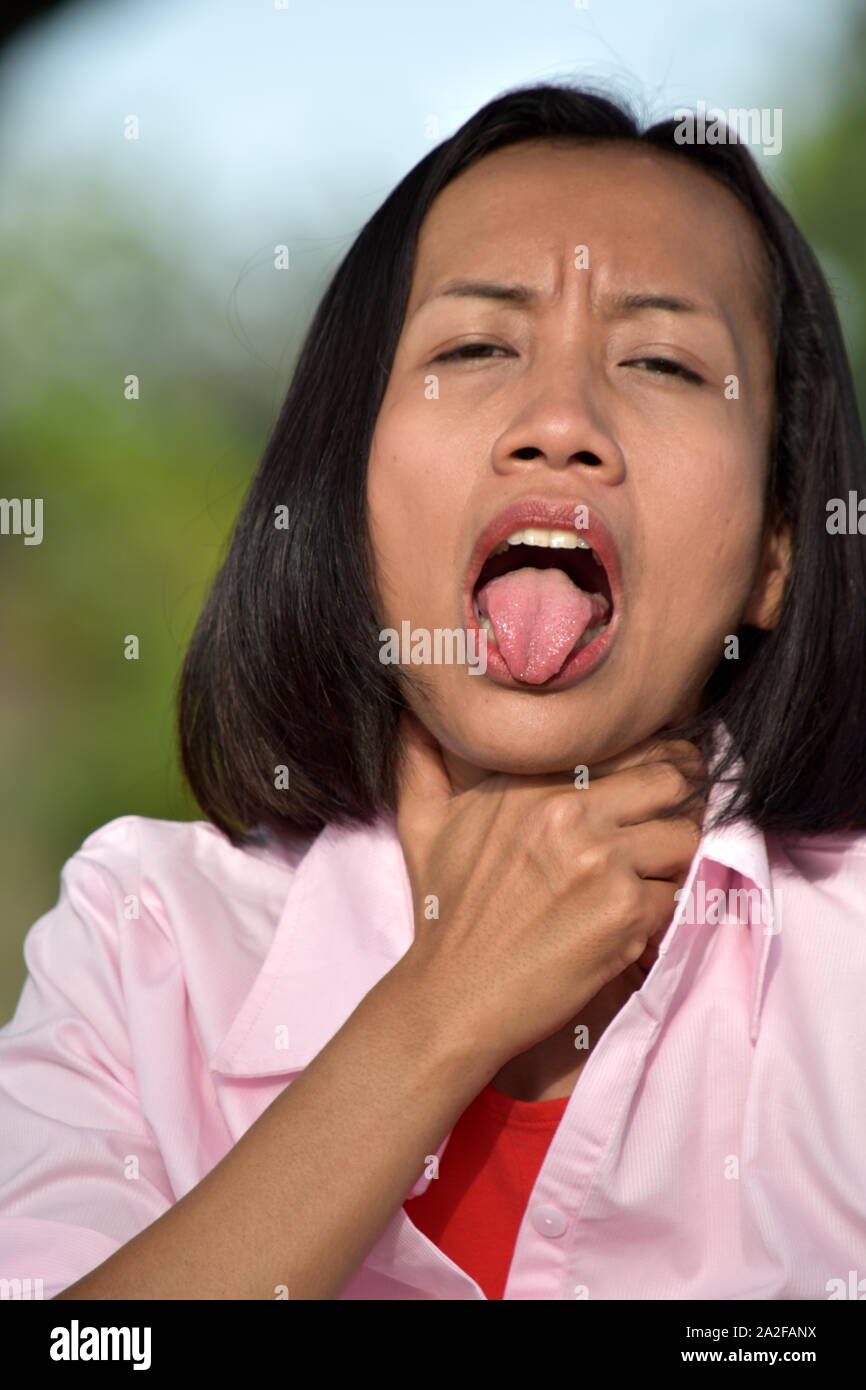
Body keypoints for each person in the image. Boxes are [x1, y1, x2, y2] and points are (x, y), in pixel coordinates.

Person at [2, 82, 865, 1302]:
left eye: (664, 361)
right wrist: (440, 1005)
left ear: (777, 546)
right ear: (344, 485)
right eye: (473, 347)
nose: (559, 422)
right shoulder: (140, 942)